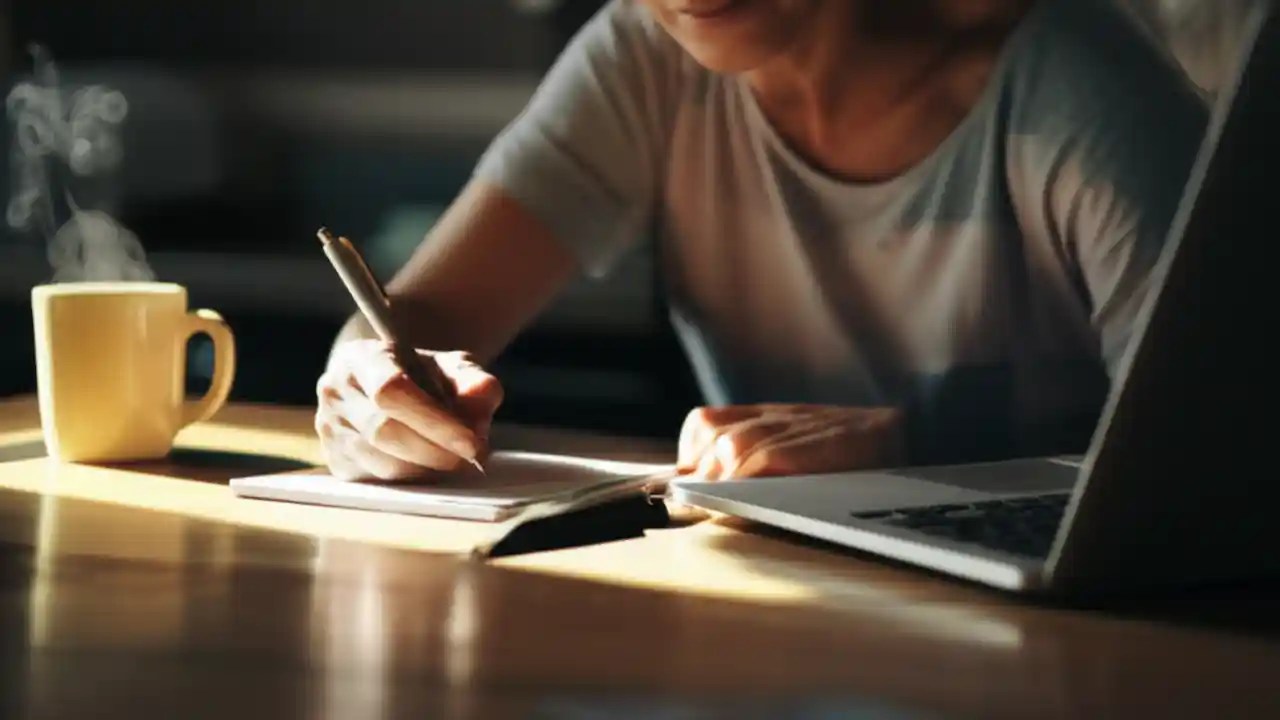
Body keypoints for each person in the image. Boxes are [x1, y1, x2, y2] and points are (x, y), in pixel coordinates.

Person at [314, 0, 1208, 482]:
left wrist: (913, 453)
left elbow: (1216, 466)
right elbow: (413, 316)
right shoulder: (646, 53)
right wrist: (368, 385)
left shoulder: (1078, 91)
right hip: (774, 625)